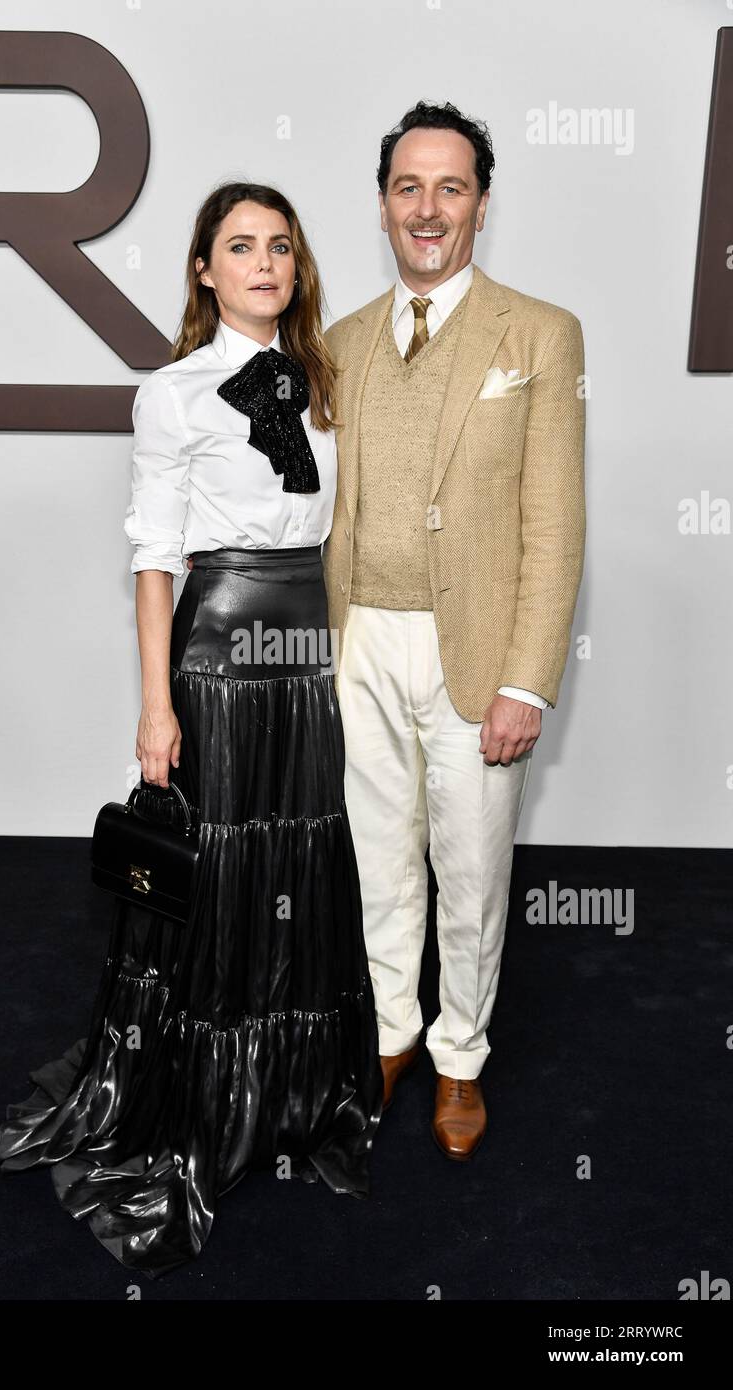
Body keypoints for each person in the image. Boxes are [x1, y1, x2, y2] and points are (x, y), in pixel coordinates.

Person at [0, 182, 382, 1276]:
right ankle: (201, 1101)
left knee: (298, 861)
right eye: (238, 247)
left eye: (279, 247)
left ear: (296, 267)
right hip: (215, 654)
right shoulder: (170, 393)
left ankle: (292, 1094)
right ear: (203, 272)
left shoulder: (324, 383)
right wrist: (156, 704)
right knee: (212, 872)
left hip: (303, 658)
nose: (263, 263)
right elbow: (154, 557)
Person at [322, 101, 586, 1159]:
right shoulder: (338, 344)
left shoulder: (539, 332)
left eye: (449, 186)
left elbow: (554, 521)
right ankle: (389, 1032)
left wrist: (526, 679)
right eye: (406, 187)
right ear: (382, 204)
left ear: (479, 202)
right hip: (358, 645)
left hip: (471, 651)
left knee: (470, 868)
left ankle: (460, 1055)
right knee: (379, 858)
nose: (426, 208)